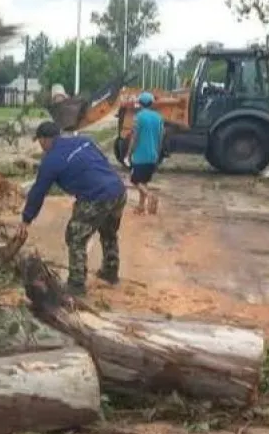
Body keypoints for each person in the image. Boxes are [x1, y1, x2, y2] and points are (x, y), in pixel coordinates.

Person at [15, 121, 127, 296]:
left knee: (75, 236)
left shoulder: (51, 160)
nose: (41, 146)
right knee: (108, 231)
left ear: (45, 140)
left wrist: (26, 219)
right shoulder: (84, 141)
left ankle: (76, 284)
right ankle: (110, 272)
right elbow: (101, 162)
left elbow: (38, 191)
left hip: (96, 196)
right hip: (118, 190)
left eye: (40, 141)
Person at [128, 91, 164, 214]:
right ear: (151, 103)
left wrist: (129, 152)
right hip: (153, 156)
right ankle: (140, 206)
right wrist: (158, 155)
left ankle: (150, 196)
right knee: (144, 182)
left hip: (140, 156)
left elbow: (135, 137)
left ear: (140, 103)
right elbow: (160, 138)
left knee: (135, 180)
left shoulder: (138, 117)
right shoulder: (158, 118)